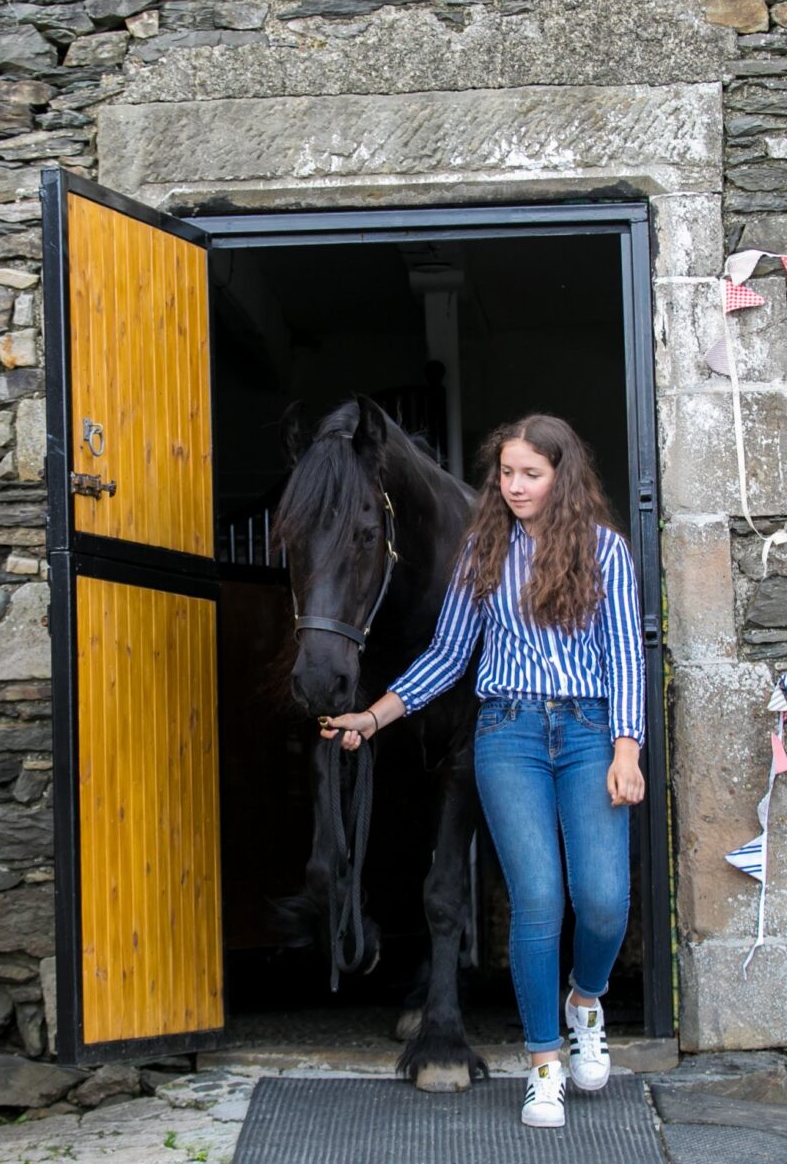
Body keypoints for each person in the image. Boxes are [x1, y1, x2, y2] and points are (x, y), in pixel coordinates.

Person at [321, 413, 646, 1129]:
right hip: (507, 733)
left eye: (531, 473)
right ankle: (543, 1066)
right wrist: (372, 718)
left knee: (602, 901)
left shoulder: (606, 551)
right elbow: (446, 656)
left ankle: (584, 1001)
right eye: (506, 473)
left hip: (592, 731)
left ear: (563, 476)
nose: (516, 486)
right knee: (537, 902)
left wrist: (627, 748)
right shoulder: (484, 551)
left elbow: (626, 653)